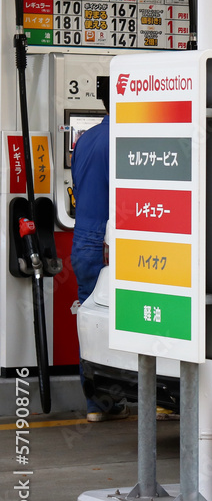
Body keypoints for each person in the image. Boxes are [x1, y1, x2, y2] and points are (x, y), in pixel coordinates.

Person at [71, 76, 127, 422]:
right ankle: (150, 395)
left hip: (84, 240)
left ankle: (97, 405)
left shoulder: (85, 139)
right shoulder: (130, 139)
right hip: (115, 241)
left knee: (92, 321)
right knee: (132, 319)